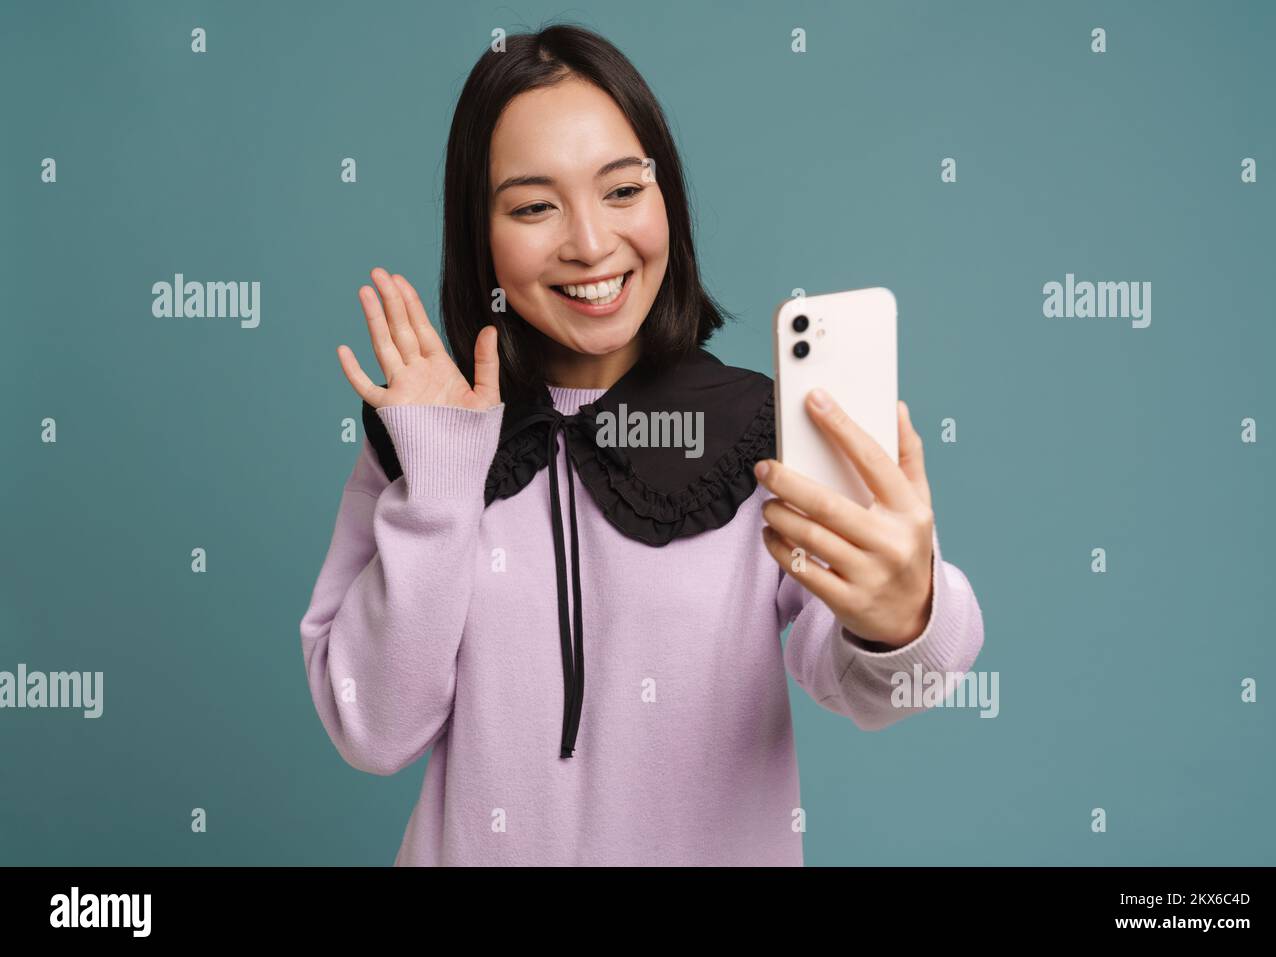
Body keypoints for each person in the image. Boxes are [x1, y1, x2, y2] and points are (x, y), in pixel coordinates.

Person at [299, 22, 984, 866]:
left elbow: (885, 689)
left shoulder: (759, 433)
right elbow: (374, 730)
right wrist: (441, 478)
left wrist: (904, 613)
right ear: (479, 232)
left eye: (623, 190)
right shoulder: (423, 438)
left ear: (668, 201)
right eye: (534, 205)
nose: (591, 243)